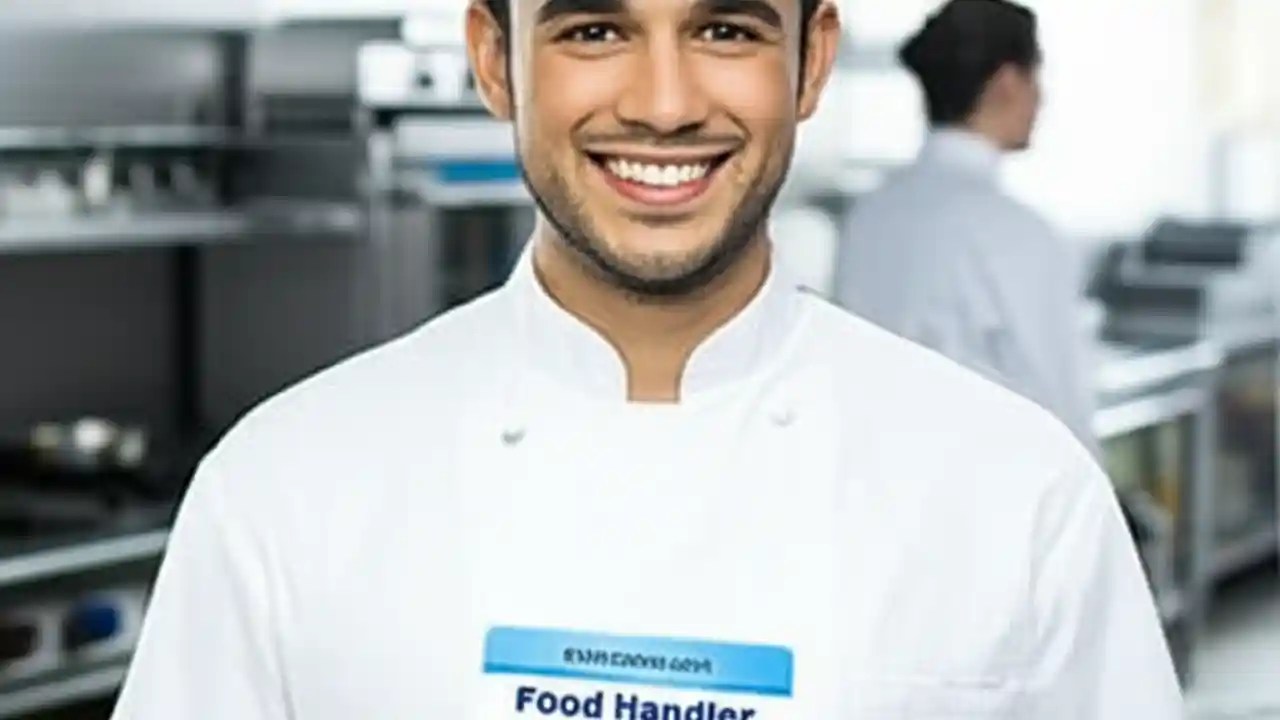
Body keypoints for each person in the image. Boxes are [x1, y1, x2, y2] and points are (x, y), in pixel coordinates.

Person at [113, 1, 1179, 718]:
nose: (663, 104)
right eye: (591, 28)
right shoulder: (285, 487)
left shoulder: (1017, 492)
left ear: (809, 60)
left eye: (722, 27)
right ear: (496, 61)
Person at [836, 0, 1099, 454]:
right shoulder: (1018, 235)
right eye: (1037, 76)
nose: (1042, 97)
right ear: (1008, 84)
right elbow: (1065, 418)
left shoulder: (869, 217)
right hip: (990, 502)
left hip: (878, 488)